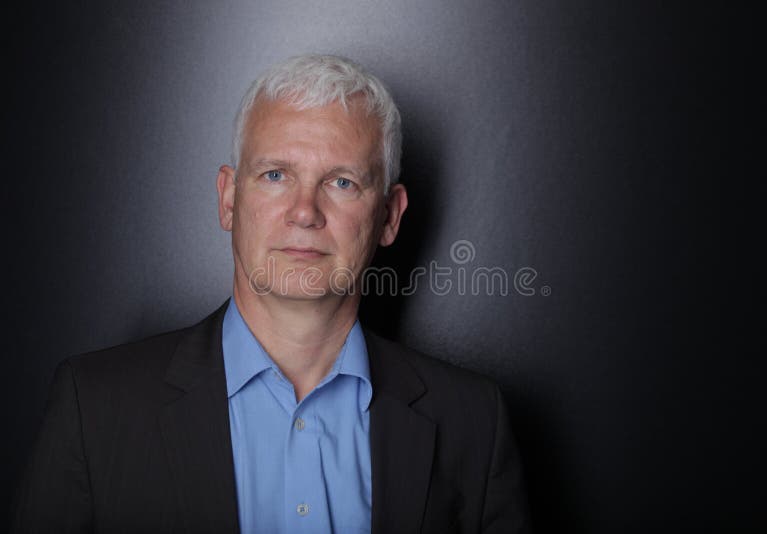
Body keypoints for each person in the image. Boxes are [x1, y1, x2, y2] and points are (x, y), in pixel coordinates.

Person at [11, 54, 531, 533]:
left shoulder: (473, 423)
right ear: (229, 200)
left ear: (390, 216)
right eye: (276, 174)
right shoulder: (95, 408)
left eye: (342, 182)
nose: (305, 211)